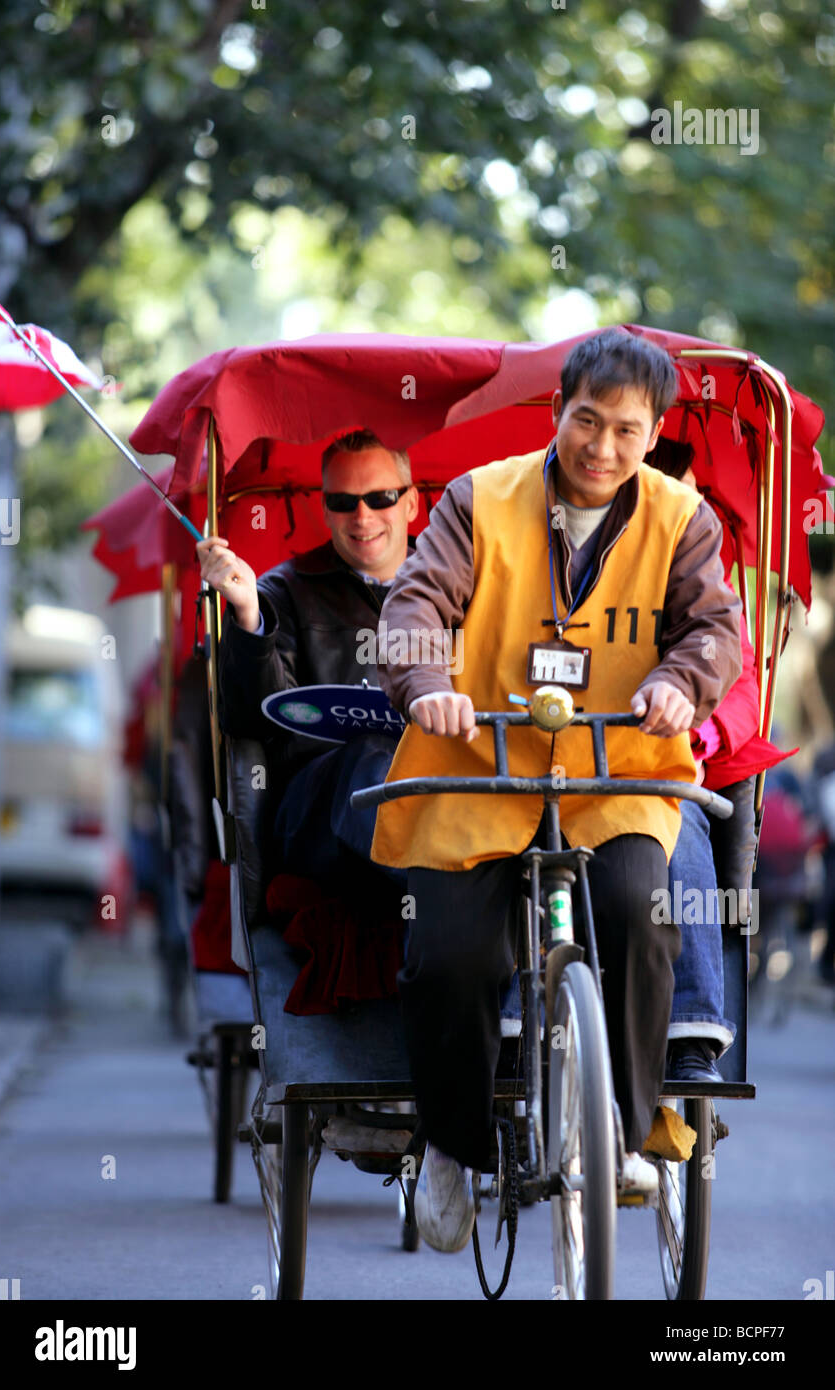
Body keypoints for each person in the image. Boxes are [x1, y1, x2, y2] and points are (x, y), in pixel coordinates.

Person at [370, 328, 743, 1252]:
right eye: (587, 421)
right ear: (557, 414)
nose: (603, 448)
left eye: (626, 429)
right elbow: (415, 606)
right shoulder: (478, 499)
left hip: (616, 773)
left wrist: (678, 682)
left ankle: (628, 1129)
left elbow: (716, 630)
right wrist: (430, 688)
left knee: (636, 907)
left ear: (652, 432)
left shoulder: (680, 517)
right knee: (448, 956)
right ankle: (454, 1145)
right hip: (479, 768)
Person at [196, 428, 418, 900]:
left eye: (380, 498)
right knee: (371, 753)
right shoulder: (283, 593)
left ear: (411, 505)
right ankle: (442, 883)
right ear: (325, 509)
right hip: (316, 809)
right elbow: (249, 716)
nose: (362, 516)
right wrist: (248, 614)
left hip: (436, 783)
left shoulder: (458, 582)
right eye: (343, 501)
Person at [646, 447, 792, 1082]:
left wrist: (693, 736)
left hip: (675, 770)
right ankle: (511, 1017)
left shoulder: (711, 590)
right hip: (570, 763)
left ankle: (692, 1029)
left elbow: (738, 684)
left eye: (695, 501)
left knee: (680, 811)